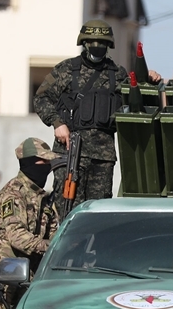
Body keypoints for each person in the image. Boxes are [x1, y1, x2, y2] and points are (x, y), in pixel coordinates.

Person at [33, 20, 163, 213]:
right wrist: (57, 123)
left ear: (108, 45)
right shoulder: (67, 69)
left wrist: (148, 79)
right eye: (92, 42)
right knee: (67, 208)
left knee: (98, 211)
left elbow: (135, 99)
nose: (97, 47)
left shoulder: (117, 73)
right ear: (84, 43)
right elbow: (41, 98)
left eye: (101, 43)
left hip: (103, 157)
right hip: (71, 151)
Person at [0, 138, 62, 309]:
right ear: (28, 163)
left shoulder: (41, 197)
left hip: (33, 267)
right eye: (43, 163)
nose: (48, 168)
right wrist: (50, 247)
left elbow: (54, 231)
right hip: (12, 269)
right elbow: (16, 236)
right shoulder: (14, 194)